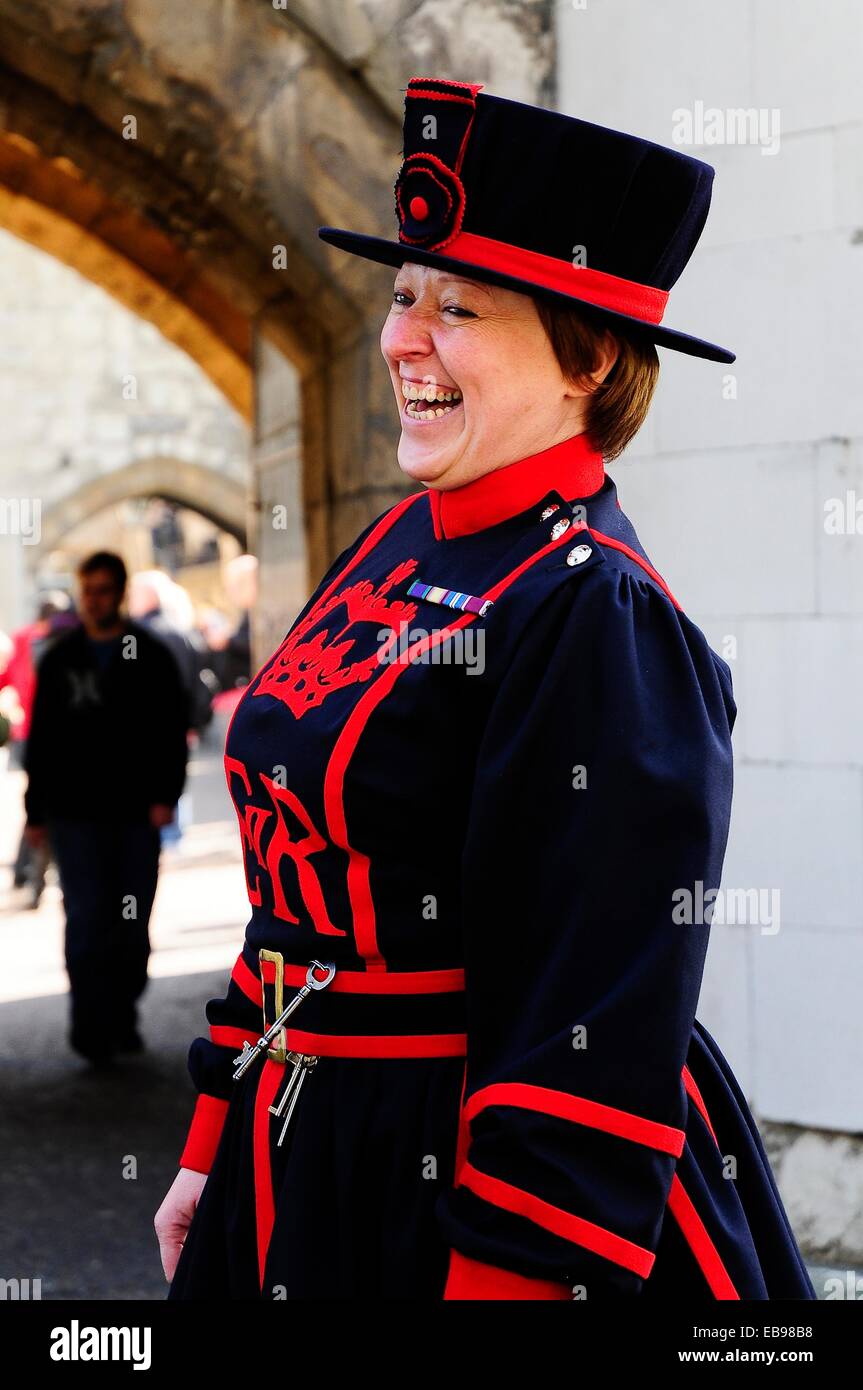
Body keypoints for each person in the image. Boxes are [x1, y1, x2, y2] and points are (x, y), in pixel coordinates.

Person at [157, 78, 815, 1300]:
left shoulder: (597, 613)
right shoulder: (400, 539)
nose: (402, 338)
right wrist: (214, 1142)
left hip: (460, 1195)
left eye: (457, 308)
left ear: (590, 357)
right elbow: (301, 895)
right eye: (402, 294)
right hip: (300, 1148)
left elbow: (589, 1029)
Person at [24, 551, 188, 1065]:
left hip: (135, 813)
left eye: (103, 590)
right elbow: (43, 740)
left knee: (130, 920)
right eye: (87, 590)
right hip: (75, 814)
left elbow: (169, 730)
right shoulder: (59, 659)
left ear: (117, 592)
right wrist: (35, 812)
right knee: (85, 918)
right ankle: (91, 1024)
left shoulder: (152, 655)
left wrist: (167, 796)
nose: (94, 600)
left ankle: (122, 1010)